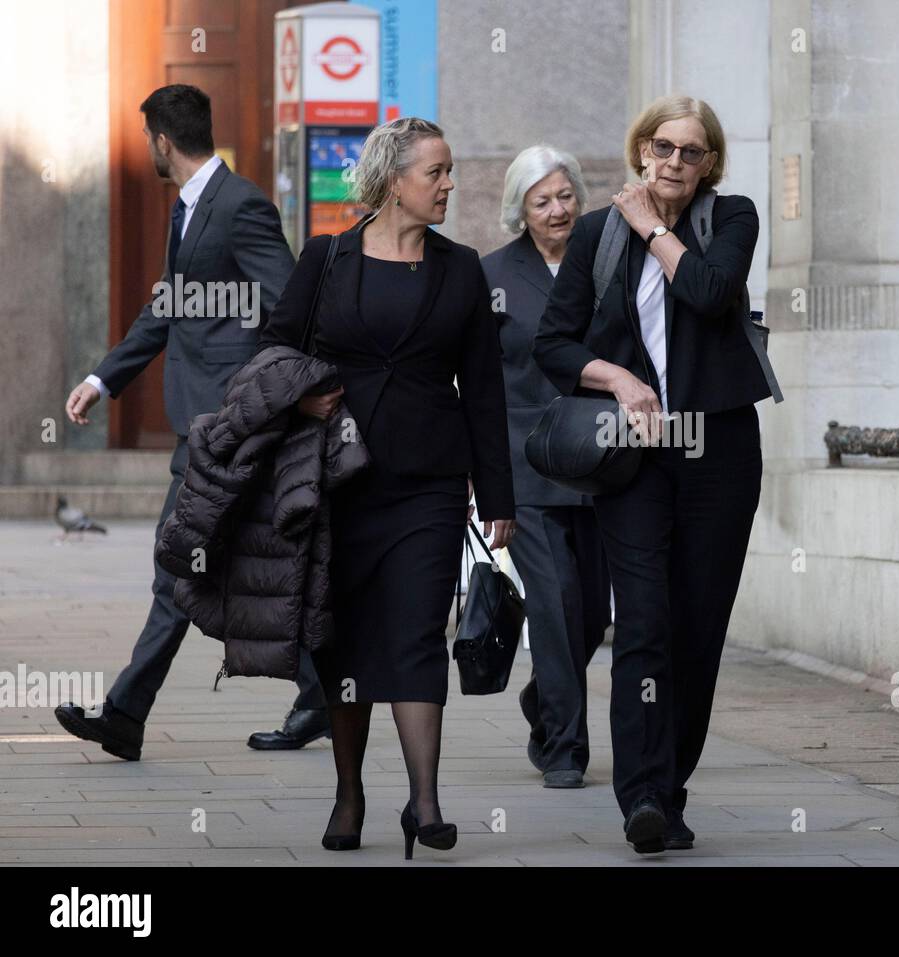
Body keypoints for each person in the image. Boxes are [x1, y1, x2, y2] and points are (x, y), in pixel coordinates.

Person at [259, 116, 516, 857]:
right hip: (340, 483)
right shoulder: (329, 259)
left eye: (450, 170)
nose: (449, 184)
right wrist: (302, 398)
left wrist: (497, 496)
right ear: (393, 180)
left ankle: (425, 801)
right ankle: (348, 793)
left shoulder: (461, 267)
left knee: (414, 632)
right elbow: (275, 347)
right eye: (435, 172)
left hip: (430, 486)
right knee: (343, 645)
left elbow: (487, 390)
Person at [55, 84, 329, 761]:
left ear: (162, 140)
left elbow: (292, 302)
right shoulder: (189, 208)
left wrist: (283, 395)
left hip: (229, 426)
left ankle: (126, 711)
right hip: (205, 423)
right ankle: (325, 689)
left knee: (180, 562)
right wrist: (103, 377)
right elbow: (168, 308)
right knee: (210, 569)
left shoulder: (240, 207)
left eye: (147, 138)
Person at [534, 95, 772, 853]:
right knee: (642, 623)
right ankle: (639, 793)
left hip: (719, 457)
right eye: (662, 147)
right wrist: (618, 380)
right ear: (641, 150)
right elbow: (553, 342)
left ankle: (670, 789)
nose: (673, 162)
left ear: (709, 164)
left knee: (697, 628)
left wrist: (654, 229)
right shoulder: (597, 234)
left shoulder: (731, 220)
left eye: (690, 152)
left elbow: (706, 294)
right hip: (632, 459)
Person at [481, 146, 611, 789]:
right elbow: (476, 384)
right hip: (527, 465)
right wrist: (484, 485)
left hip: (601, 458)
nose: (558, 209)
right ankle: (564, 746)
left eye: (564, 196)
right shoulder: (492, 276)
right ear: (520, 211)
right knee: (555, 606)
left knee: (593, 613)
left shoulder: (605, 263)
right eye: (542, 201)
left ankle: (542, 699)